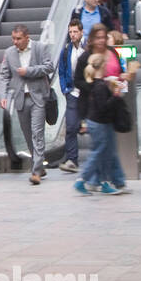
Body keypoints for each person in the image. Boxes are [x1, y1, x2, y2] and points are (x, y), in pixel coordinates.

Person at [0, 24, 56, 185]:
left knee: (37, 133)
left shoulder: (40, 48)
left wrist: (29, 71)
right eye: (13, 39)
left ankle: (36, 171)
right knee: (27, 134)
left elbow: (49, 67)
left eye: (18, 39)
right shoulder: (9, 53)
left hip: (37, 97)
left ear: (27, 37)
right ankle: (39, 164)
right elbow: (4, 76)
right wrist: (3, 95)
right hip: (20, 99)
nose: (15, 42)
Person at [73, 53, 130, 196]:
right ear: (103, 66)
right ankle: (82, 179)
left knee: (104, 152)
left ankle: (104, 182)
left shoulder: (98, 84)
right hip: (99, 123)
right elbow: (103, 107)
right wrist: (115, 95)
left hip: (100, 123)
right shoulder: (99, 87)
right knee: (98, 152)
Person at [56, 20, 84, 173]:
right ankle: (72, 159)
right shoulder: (67, 50)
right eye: (70, 32)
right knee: (71, 126)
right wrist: (64, 88)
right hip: (73, 92)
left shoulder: (88, 48)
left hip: (88, 94)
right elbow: (61, 70)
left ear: (81, 32)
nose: (72, 35)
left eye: (75, 32)